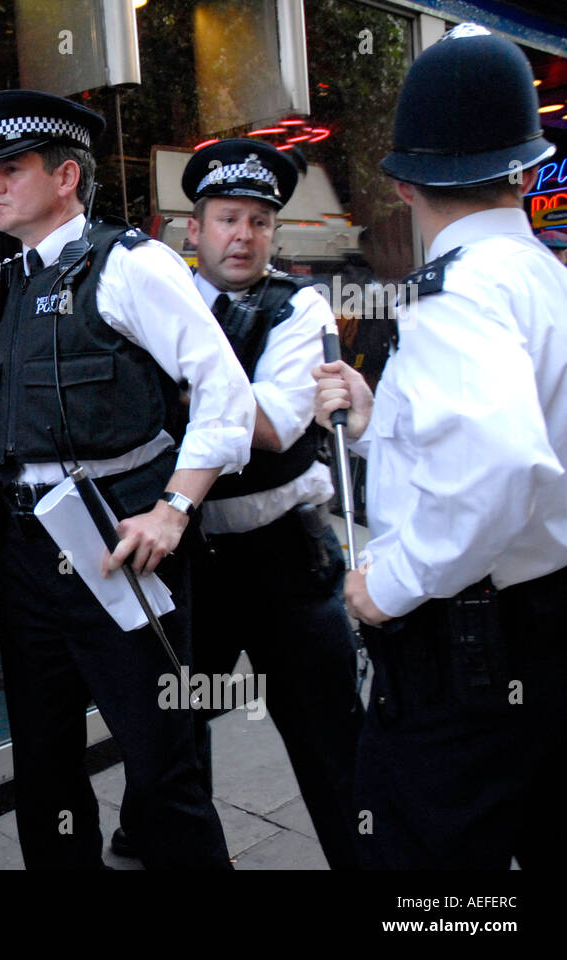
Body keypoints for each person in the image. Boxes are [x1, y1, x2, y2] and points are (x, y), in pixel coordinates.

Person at [0, 90, 256, 869]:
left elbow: (225, 391)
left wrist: (171, 511)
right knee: (44, 763)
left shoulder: (130, 265)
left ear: (66, 177)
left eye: (9, 168)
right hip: (29, 550)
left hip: (123, 541)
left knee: (161, 762)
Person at [313, 23, 567, 869]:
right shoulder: (543, 278)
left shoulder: (453, 294)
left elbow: (498, 463)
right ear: (524, 170)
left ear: (401, 178)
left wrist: (387, 584)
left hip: (468, 647)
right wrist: (379, 415)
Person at [116, 138, 362, 868]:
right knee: (173, 741)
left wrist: (190, 391)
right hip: (196, 563)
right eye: (228, 218)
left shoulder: (297, 305)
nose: (244, 235)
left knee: (333, 750)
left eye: (259, 221)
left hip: (286, 561)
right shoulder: (165, 299)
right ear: (193, 231)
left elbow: (268, 426)